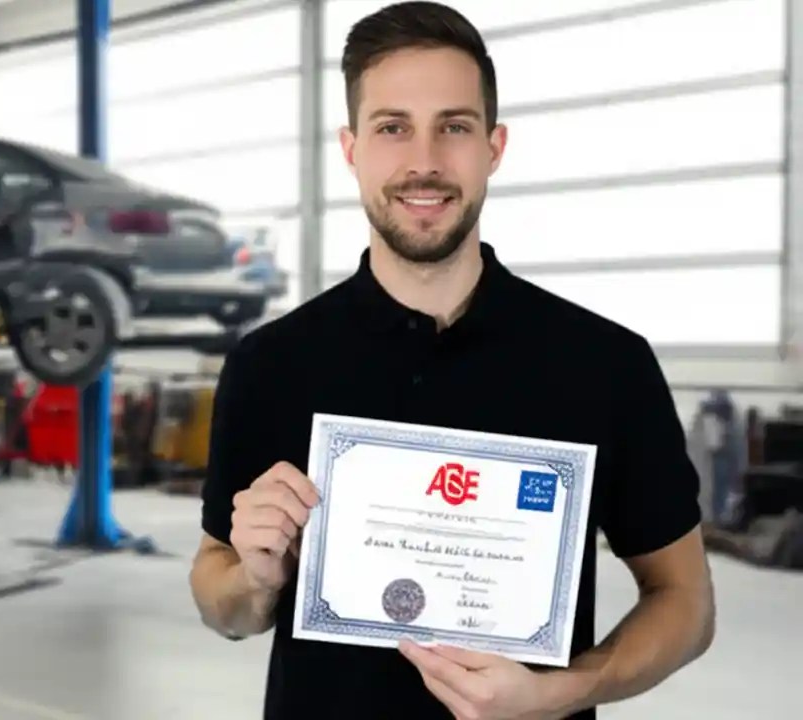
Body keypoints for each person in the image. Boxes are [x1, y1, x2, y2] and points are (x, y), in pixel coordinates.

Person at [187, 2, 716, 719]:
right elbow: (221, 602)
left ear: (495, 146)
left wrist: (559, 693)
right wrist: (254, 579)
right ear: (351, 148)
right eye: (393, 127)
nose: (425, 162)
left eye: (455, 127)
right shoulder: (270, 364)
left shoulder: (606, 364)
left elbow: (686, 602)